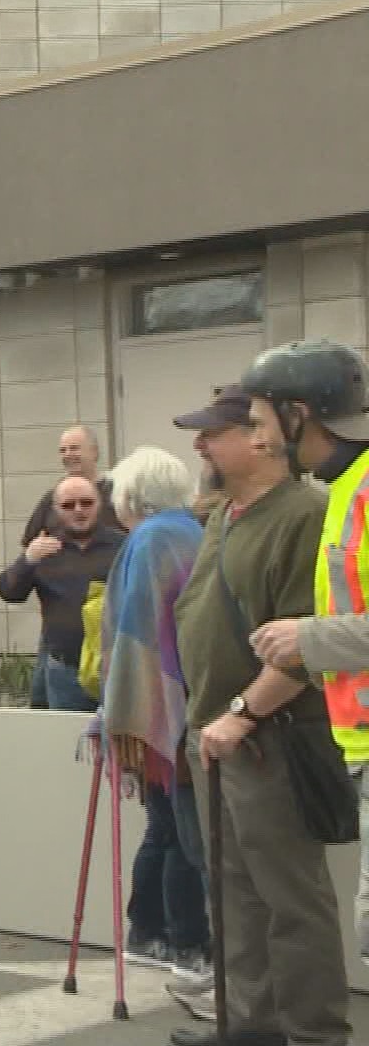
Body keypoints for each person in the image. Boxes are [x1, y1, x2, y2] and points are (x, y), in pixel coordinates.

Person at [168, 382, 351, 1046]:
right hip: (218, 732)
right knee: (235, 895)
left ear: (258, 438)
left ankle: (313, 1034)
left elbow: (307, 640)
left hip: (268, 733)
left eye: (212, 432)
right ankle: (250, 1028)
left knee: (291, 900)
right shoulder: (227, 512)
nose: (198, 444)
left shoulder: (305, 513)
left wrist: (243, 714)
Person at [240, 341, 369, 981]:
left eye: (260, 422)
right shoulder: (344, 489)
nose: (257, 441)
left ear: (299, 415)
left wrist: (307, 639)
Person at [90, 447, 208, 975]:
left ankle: (166, 936)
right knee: (176, 826)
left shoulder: (152, 539)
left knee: (172, 827)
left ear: (133, 497)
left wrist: (122, 708)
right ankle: (168, 935)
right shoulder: (186, 532)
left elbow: (135, 630)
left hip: (160, 704)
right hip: (181, 697)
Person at [0, 474, 123, 712]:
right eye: (68, 505)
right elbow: (9, 592)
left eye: (86, 503)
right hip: (65, 669)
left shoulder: (122, 545)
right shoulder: (45, 549)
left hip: (116, 667)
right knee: (66, 734)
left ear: (100, 505)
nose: (79, 510)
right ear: (55, 510)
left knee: (119, 735)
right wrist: (27, 560)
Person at [21, 426, 123, 544]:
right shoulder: (51, 498)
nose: (68, 454)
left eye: (74, 448)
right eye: (63, 450)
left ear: (94, 452)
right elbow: (29, 543)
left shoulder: (116, 494)